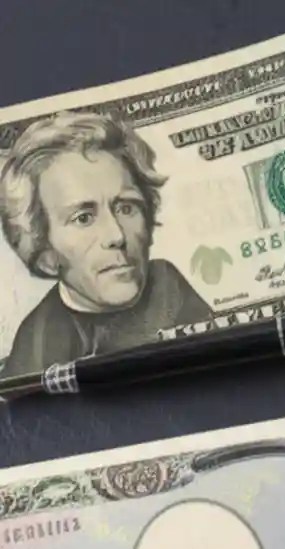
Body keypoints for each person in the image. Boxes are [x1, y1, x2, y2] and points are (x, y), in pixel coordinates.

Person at [0, 111, 212, 377]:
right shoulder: (38, 346)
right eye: (84, 218)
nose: (117, 236)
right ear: (46, 255)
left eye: (126, 207)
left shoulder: (166, 284)